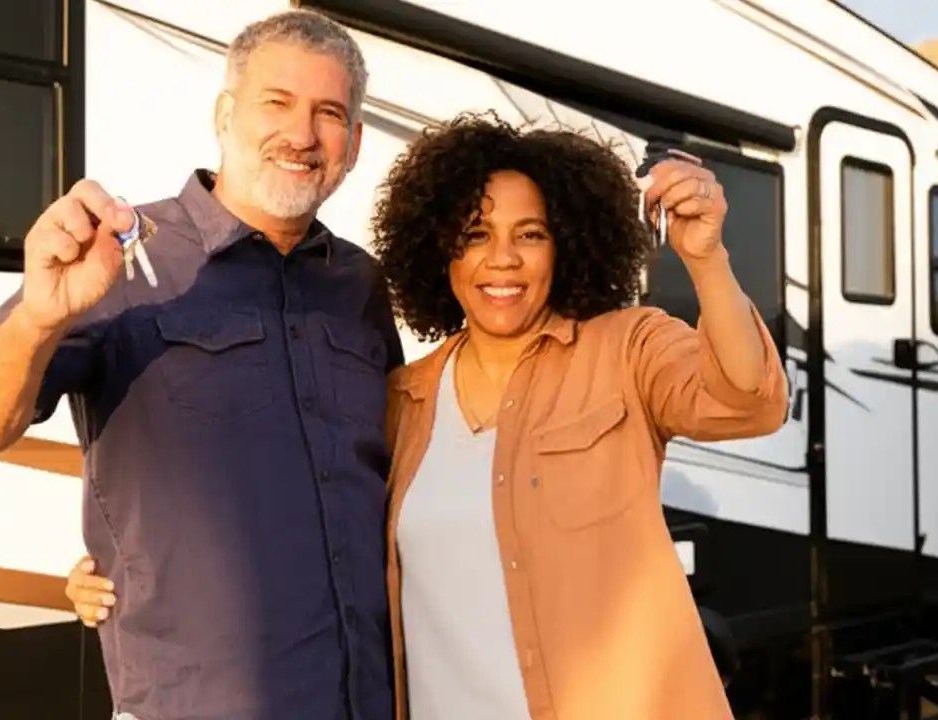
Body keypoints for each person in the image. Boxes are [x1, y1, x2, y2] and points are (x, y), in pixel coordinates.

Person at [67, 111, 789, 718]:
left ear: (565, 247)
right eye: (474, 235)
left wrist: (707, 258)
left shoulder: (627, 348)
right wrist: (128, 565)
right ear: (439, 252)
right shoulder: (403, 398)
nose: (500, 260)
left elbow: (746, 401)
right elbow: (312, 518)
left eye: (530, 234)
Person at [0, 10, 402, 720]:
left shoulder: (359, 287)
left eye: (328, 113)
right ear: (225, 114)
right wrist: (37, 317)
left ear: (355, 142)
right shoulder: (122, 256)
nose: (302, 135)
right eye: (277, 102)